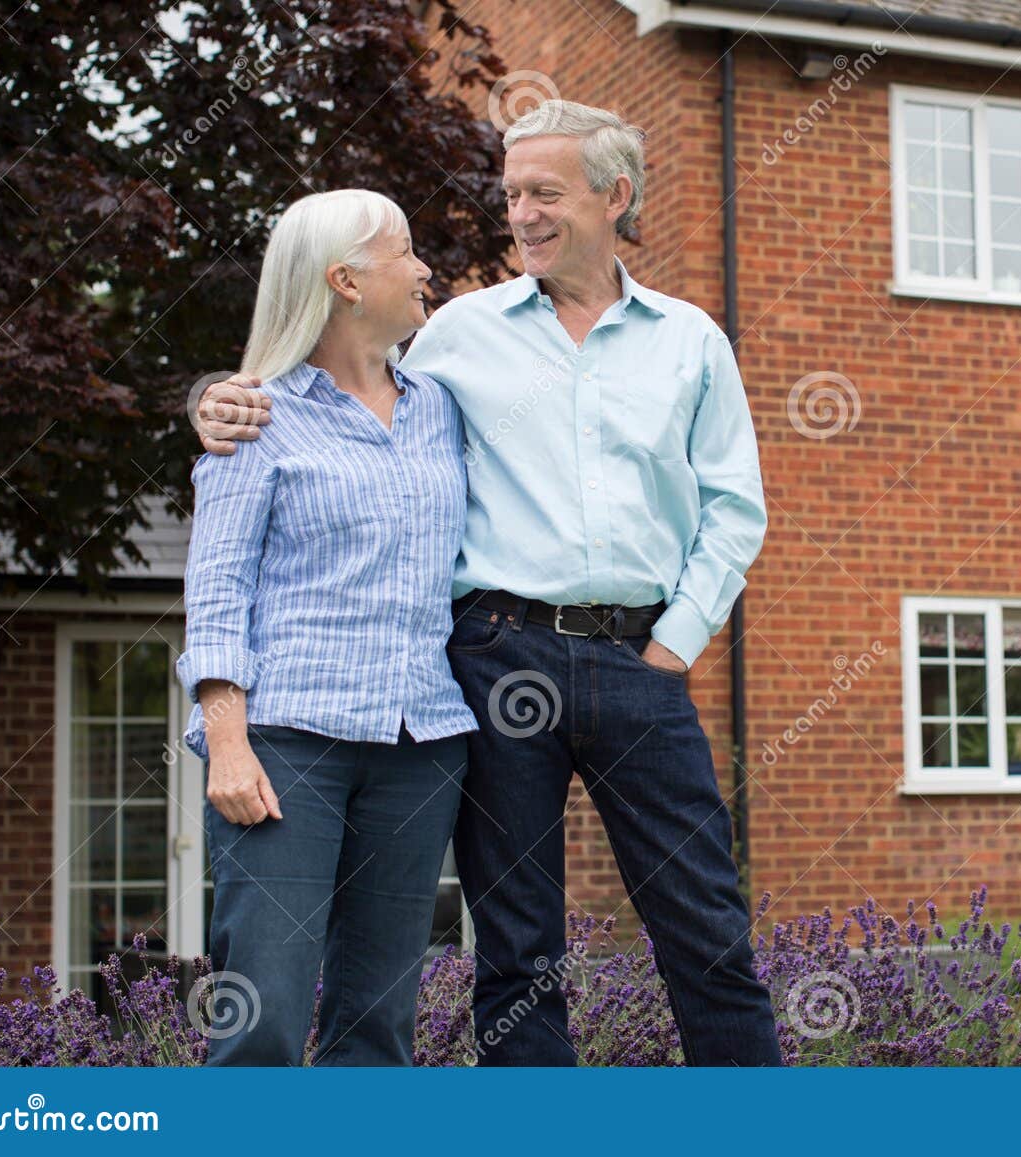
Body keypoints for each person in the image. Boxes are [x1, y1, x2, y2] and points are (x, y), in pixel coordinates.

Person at [196, 101, 782, 1066]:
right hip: (496, 657)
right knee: (515, 943)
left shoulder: (691, 341)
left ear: (613, 196)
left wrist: (674, 643)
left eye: (544, 192)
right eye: (511, 195)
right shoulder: (457, 335)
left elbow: (734, 508)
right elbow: (330, 391)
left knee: (707, 924)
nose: (522, 214)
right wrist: (219, 401)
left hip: (640, 659)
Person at [178, 188, 475, 1066]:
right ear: (345, 280)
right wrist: (226, 742)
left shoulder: (442, 408)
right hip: (287, 746)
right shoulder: (259, 415)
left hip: (421, 742)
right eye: (407, 253)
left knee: (378, 1021)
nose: (426, 270)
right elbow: (218, 588)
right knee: (261, 1013)